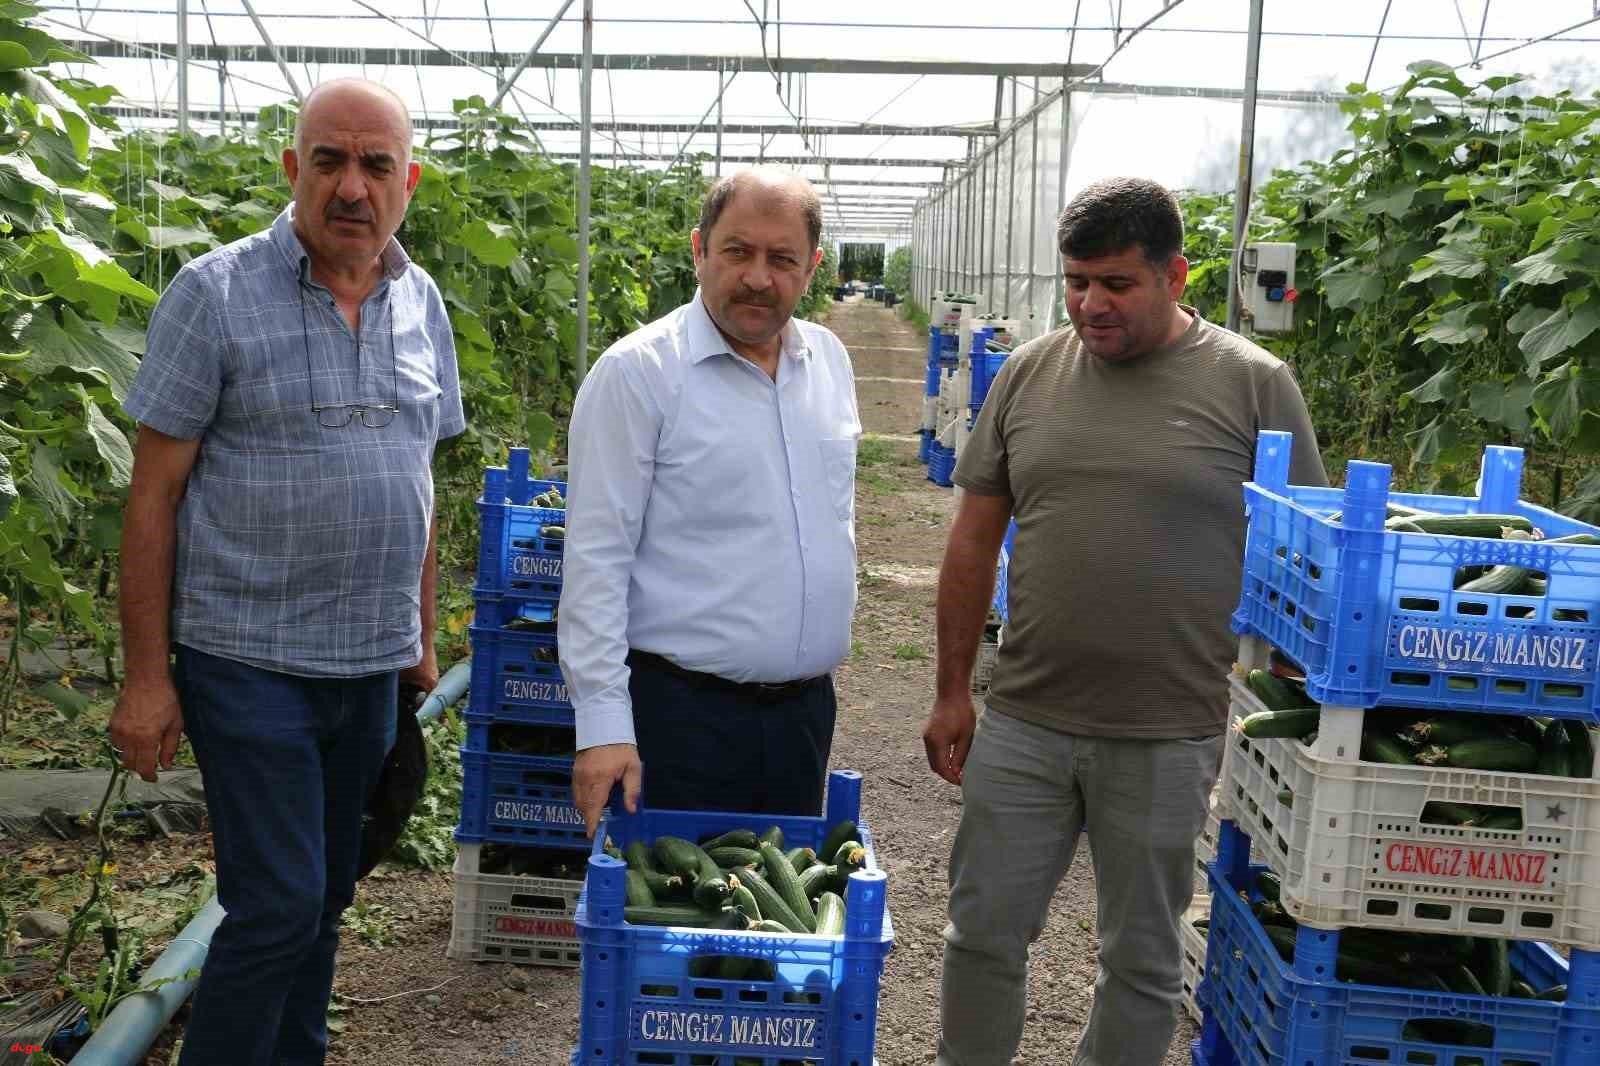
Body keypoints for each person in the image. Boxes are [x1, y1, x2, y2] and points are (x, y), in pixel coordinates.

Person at [923, 177, 1327, 1066]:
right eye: (1075, 282)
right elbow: (972, 543)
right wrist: (953, 690)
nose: (1088, 304)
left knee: (1140, 961)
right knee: (982, 933)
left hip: (1171, 731)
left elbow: (1306, 562)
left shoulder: (1255, 386)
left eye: (1115, 284)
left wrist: (1281, 722)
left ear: (1175, 275)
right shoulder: (1031, 373)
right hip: (1026, 717)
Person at [109, 78, 465, 1066]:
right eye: (330, 161)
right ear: (292, 169)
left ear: (408, 182)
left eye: (376, 165)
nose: (352, 186)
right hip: (246, 659)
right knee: (276, 904)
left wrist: (422, 642)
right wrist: (146, 679)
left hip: (369, 671)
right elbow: (151, 493)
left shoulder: (418, 300)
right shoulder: (212, 293)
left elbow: (417, 477)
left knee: (326, 900)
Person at [560, 167, 861, 834]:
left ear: (811, 268)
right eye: (737, 252)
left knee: (776, 921)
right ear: (699, 251)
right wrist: (604, 726)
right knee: (672, 918)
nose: (759, 276)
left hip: (802, 719)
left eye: (782, 259)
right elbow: (595, 560)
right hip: (679, 719)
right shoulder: (640, 375)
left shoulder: (829, 363)